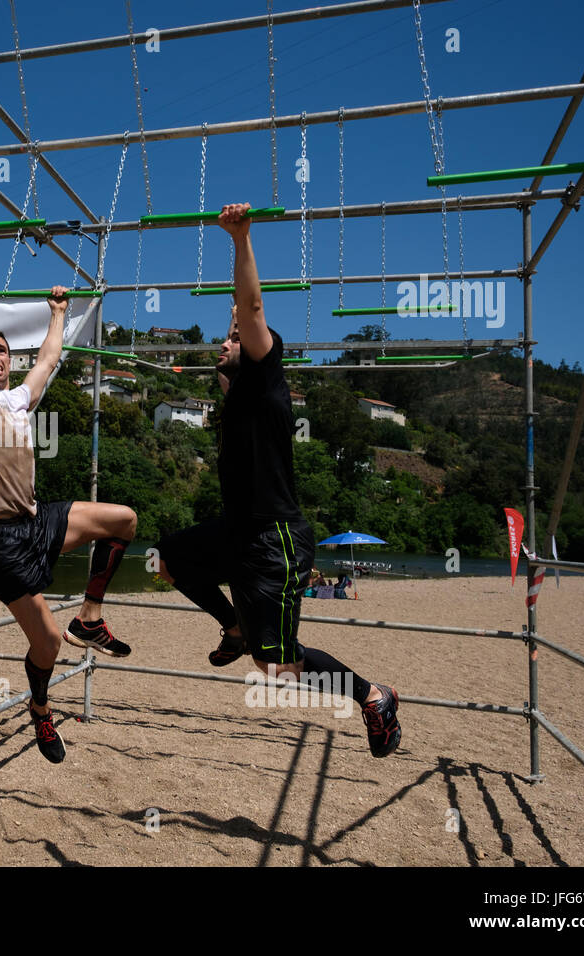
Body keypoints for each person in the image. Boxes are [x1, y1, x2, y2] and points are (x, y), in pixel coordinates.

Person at [153, 203, 401, 759]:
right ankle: (235, 627)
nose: (223, 344)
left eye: (233, 338)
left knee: (278, 668)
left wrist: (239, 240)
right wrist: (232, 323)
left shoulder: (266, 380)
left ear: (260, 347)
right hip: (237, 532)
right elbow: (237, 322)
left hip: (274, 540)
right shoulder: (237, 394)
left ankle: (372, 696)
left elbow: (251, 306)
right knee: (168, 559)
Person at [0, 217, 138, 765]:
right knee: (48, 645)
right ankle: (39, 708)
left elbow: (50, 358)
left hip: (36, 521)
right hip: (0, 541)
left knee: (123, 520)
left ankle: (92, 615)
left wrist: (59, 314)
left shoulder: (18, 401)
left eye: (3, 350)